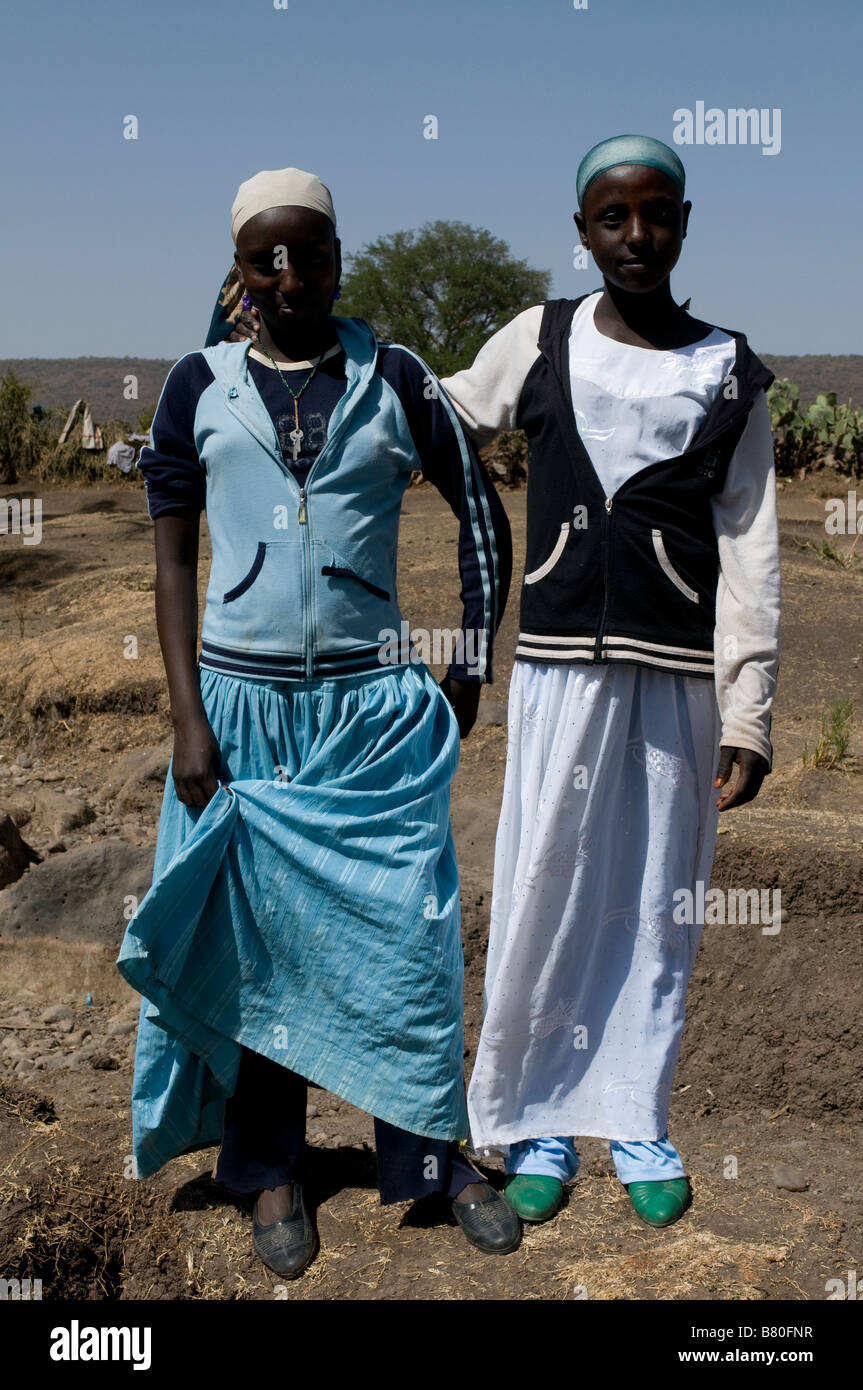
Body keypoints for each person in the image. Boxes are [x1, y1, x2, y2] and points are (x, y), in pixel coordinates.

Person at [117, 166, 519, 1279]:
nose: (287, 276)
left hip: (367, 711)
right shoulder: (198, 384)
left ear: (338, 262)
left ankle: (430, 1161)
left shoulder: (395, 379)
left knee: (406, 941)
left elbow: (479, 509)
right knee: (254, 951)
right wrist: (186, 715)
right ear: (240, 274)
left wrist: (470, 658)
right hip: (240, 712)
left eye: (308, 255)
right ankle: (268, 1170)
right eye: (264, 259)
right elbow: (169, 555)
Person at [435, 134, 781, 1228]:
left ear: (685, 221)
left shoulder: (725, 366)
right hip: (555, 679)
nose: (635, 237)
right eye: (610, 218)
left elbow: (751, 547)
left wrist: (749, 708)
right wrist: (325, 351)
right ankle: (530, 1113)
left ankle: (634, 1113)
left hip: (674, 684)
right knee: (545, 885)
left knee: (651, 902)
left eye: (656, 215)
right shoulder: (537, 338)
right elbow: (436, 411)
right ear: (579, 229)